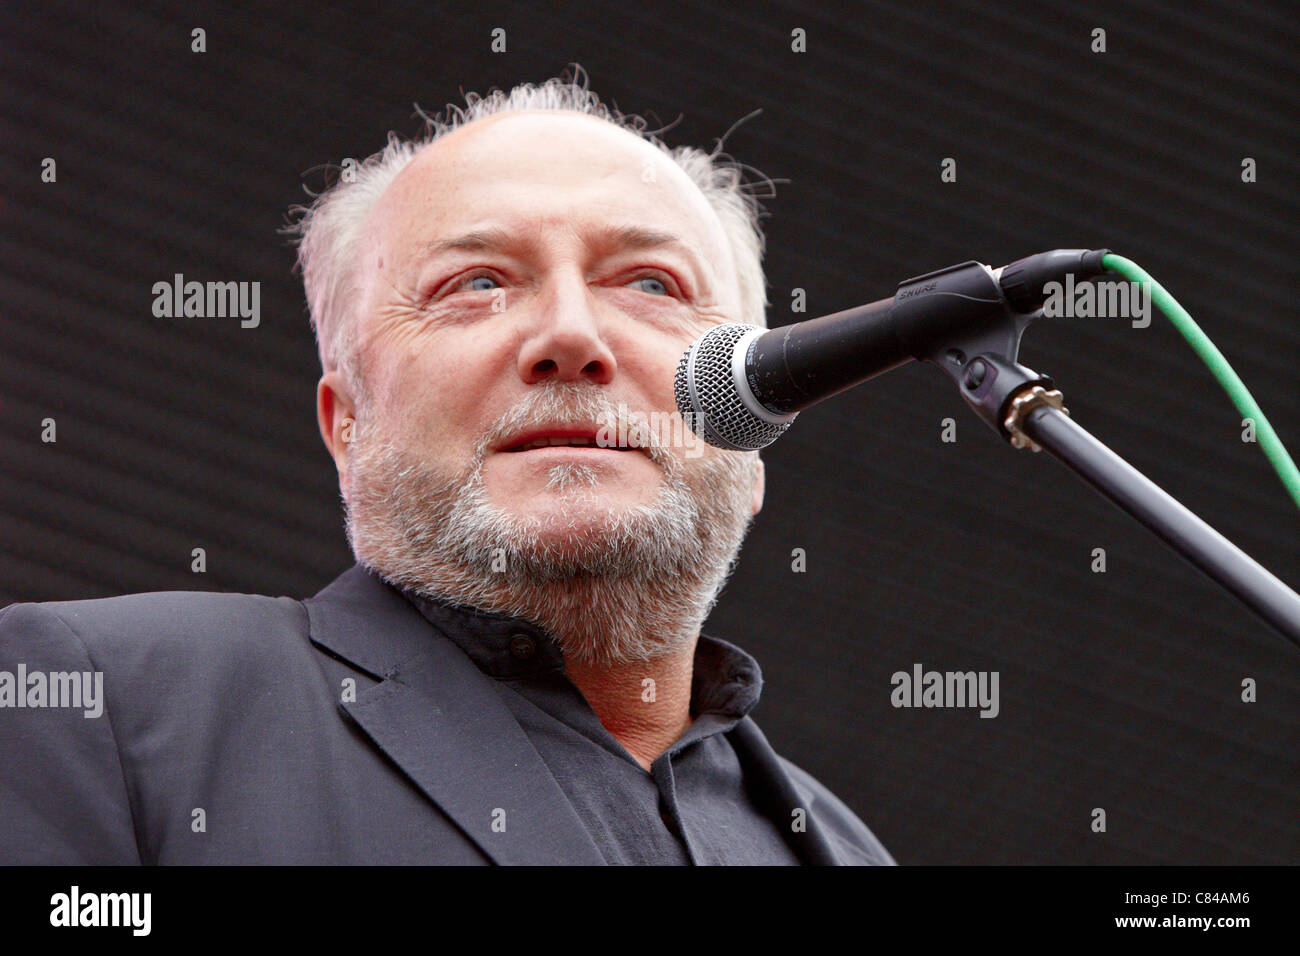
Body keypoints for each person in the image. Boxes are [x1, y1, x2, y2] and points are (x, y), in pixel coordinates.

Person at [0, 69, 894, 865]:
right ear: (347, 422)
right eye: (477, 283)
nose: (572, 337)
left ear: (754, 431)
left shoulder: (841, 845)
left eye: (651, 283)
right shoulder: (102, 703)